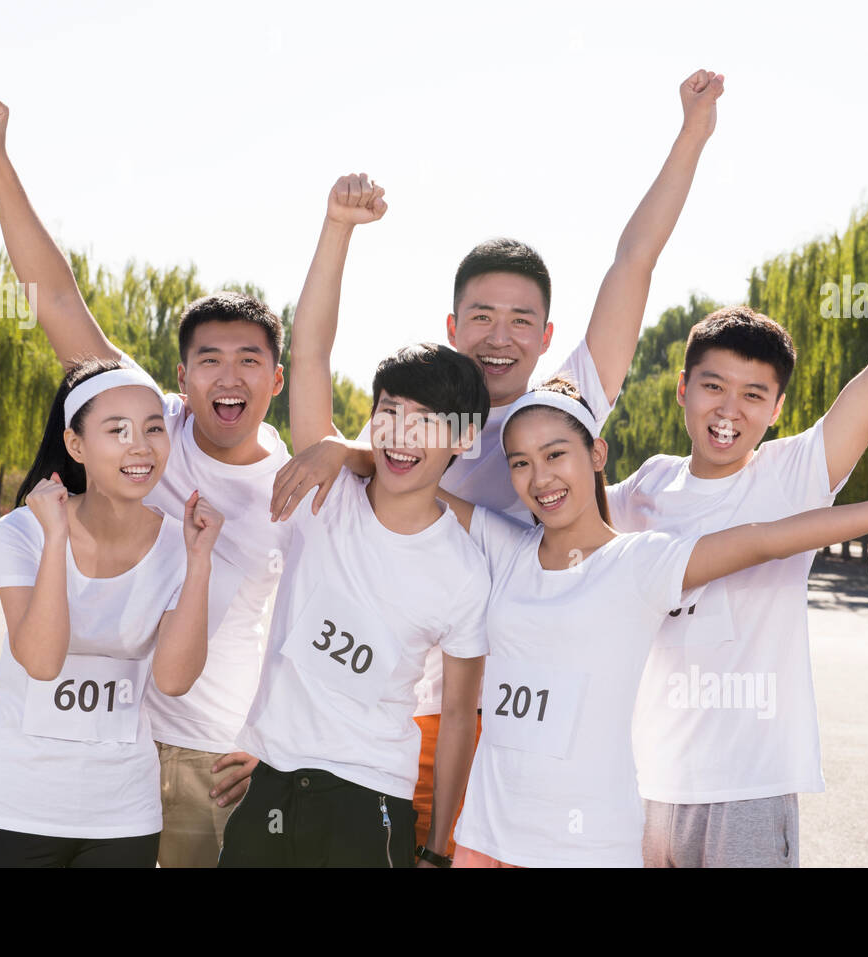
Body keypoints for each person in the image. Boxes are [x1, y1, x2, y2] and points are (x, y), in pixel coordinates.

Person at [269, 68, 724, 853]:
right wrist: (352, 451)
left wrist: (691, 133)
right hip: (404, 709)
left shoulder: (563, 405)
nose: (500, 335)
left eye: (522, 319)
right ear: (453, 324)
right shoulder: (410, 427)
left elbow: (634, 261)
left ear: (549, 335)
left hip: (516, 709)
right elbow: (314, 365)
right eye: (481, 315)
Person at [433, 377, 868, 867]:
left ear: (595, 454)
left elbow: (769, 539)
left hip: (588, 843)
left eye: (556, 454)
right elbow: (405, 487)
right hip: (487, 833)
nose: (540, 478)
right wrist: (349, 450)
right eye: (520, 463)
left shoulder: (639, 562)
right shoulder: (504, 546)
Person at [605, 182, 868, 866]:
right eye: (713, 385)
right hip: (643, 783)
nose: (730, 408)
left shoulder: (791, 476)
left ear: (778, 407)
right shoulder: (647, 485)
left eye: (754, 394)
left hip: (748, 785)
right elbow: (551, 508)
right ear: (683, 388)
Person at [0, 92, 290, 867]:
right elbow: (56, 295)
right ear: (181, 376)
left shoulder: (299, 480)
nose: (229, 376)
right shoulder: (146, 422)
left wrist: (274, 741)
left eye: (251, 359)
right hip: (135, 753)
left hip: (224, 759)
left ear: (278, 377)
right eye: (210, 359)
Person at [218, 179, 491, 867]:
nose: (402, 434)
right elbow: (308, 353)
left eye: (427, 422)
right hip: (271, 777)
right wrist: (337, 225)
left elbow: (458, 714)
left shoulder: (464, 570)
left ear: (462, 439)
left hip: (371, 798)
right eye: (391, 411)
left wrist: (436, 848)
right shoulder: (326, 490)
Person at [0, 358, 224, 867]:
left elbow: (172, 679)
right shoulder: (22, 531)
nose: (140, 446)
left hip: (123, 812)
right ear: (76, 444)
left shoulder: (179, 542)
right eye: (117, 430)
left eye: (153, 428)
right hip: (15, 801)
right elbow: (41, 660)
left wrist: (198, 562)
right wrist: (56, 536)